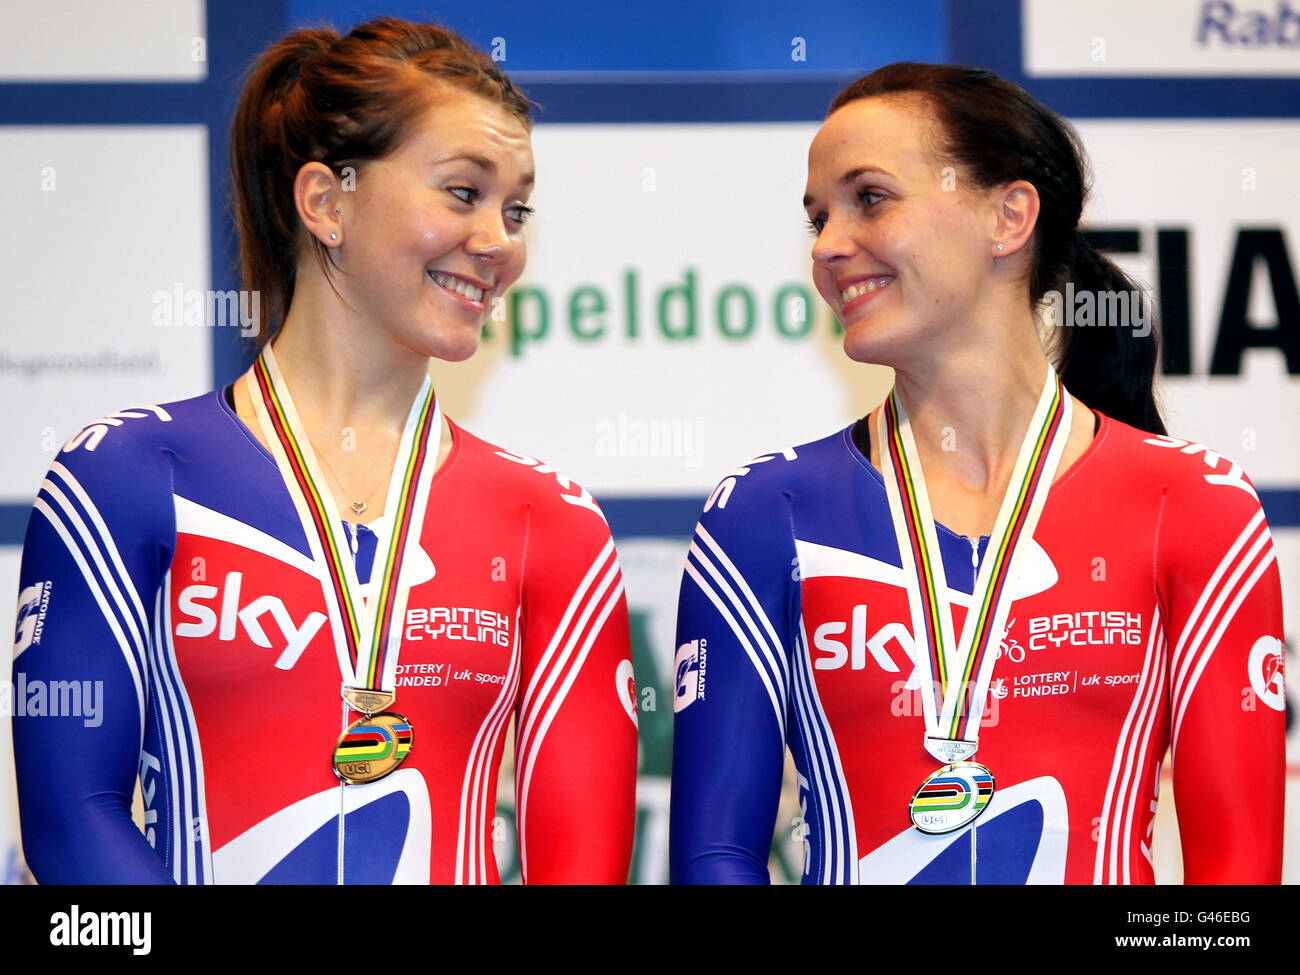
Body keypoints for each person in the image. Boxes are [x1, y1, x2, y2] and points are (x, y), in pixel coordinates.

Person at [13, 17, 637, 885]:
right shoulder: (123, 477)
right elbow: (70, 823)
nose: (500, 241)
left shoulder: (551, 520)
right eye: (463, 192)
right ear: (326, 201)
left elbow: (585, 868)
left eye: (517, 208)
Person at [669, 63, 1285, 884]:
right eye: (817, 217)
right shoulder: (764, 511)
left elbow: (1232, 888)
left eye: (870, 198)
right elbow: (716, 858)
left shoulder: (1194, 505)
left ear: (1008, 215)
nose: (827, 246)